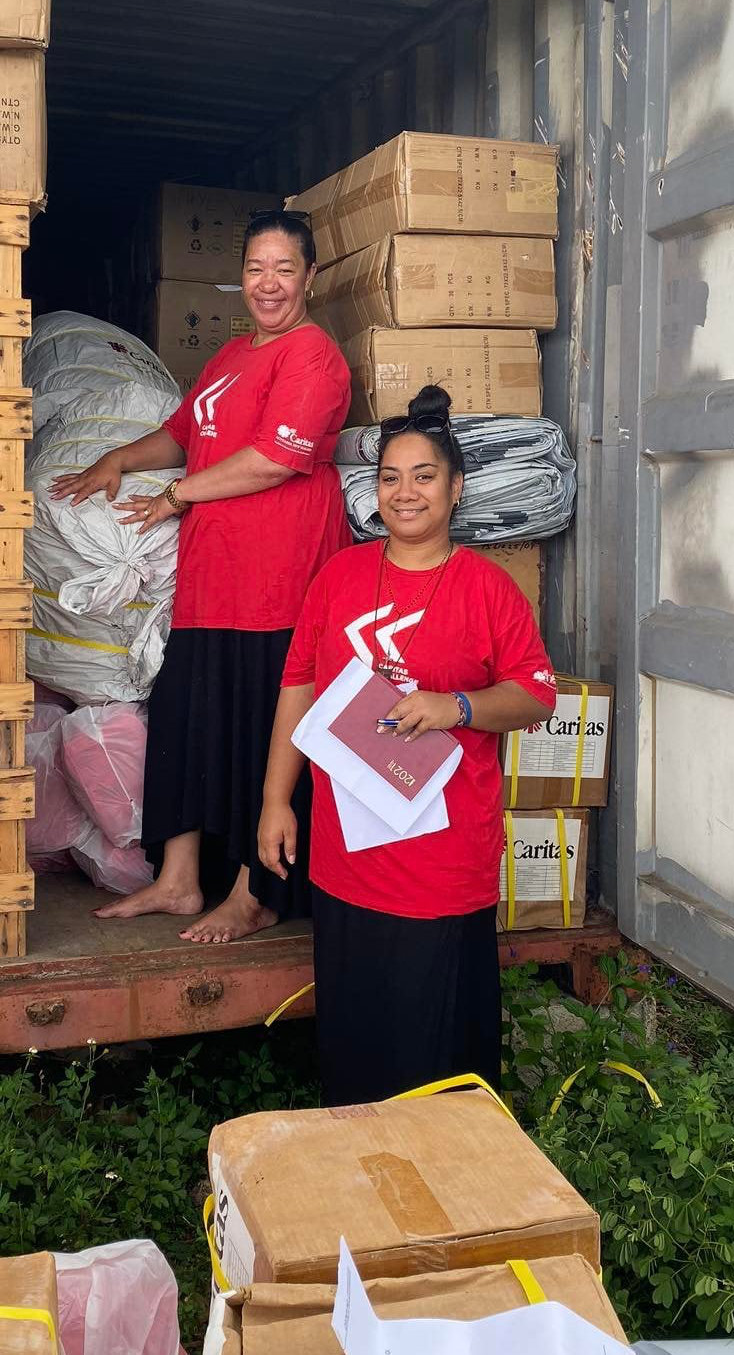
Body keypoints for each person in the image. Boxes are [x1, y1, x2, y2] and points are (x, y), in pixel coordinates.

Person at [50, 210, 352, 942]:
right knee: (187, 723)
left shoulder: (313, 358)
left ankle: (252, 892)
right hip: (212, 578)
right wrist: (120, 460)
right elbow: (184, 434)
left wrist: (176, 494)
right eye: (256, 268)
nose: (268, 283)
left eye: (284, 269)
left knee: (259, 736)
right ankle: (179, 881)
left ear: (310, 276)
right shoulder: (229, 357)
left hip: (278, 579)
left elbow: (274, 461)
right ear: (239, 277)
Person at [258, 385, 557, 1105]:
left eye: (423, 476)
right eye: (389, 478)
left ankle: (451, 1188)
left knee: (436, 1051)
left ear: (455, 489)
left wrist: (454, 706)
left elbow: (534, 695)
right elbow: (297, 685)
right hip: (346, 855)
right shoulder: (339, 576)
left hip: (442, 862)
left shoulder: (488, 590)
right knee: (356, 1041)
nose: (405, 492)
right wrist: (275, 801)